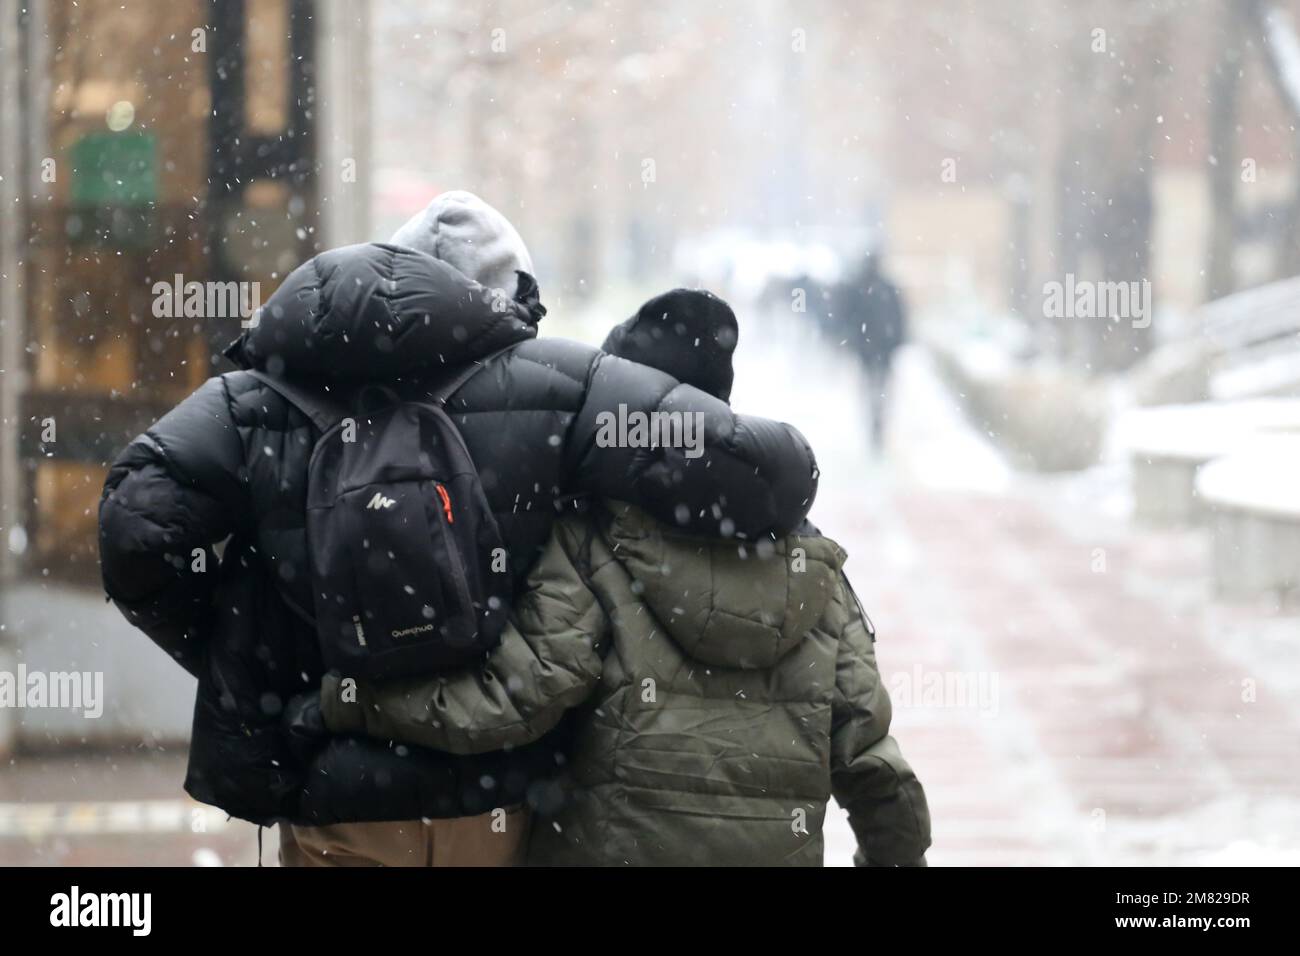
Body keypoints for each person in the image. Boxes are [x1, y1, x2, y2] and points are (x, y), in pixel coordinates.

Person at [97, 191, 819, 866]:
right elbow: (768, 471)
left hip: (327, 785)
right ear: (511, 300)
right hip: (495, 797)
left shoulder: (253, 401)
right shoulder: (559, 386)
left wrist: (248, 660)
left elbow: (135, 531)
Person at [320, 290, 931, 866]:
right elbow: (877, 769)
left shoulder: (590, 542)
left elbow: (513, 697)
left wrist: (353, 701)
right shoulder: (812, 563)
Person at [837, 251, 908, 452]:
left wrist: (852, 341)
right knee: (881, 386)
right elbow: (899, 316)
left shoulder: (858, 286)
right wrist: (897, 341)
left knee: (870, 385)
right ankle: (877, 419)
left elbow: (847, 317)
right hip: (883, 348)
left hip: (868, 349)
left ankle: (874, 417)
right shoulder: (887, 287)